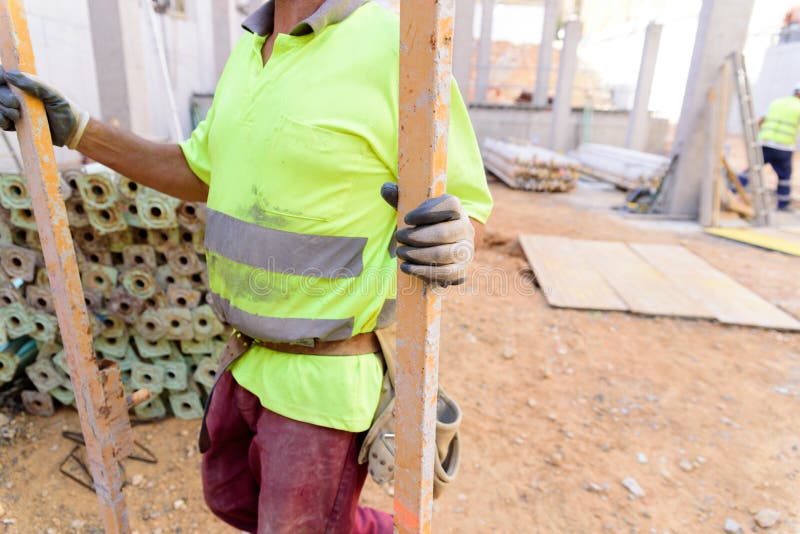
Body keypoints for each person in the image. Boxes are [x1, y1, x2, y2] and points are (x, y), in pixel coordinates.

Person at [0, 0, 493, 532]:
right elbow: (197, 167)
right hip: (243, 358)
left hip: (322, 381)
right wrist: (79, 131)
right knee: (230, 500)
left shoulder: (400, 43)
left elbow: (464, 203)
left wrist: (457, 235)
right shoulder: (249, 48)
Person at [757, 84, 800, 211]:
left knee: (752, 170)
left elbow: (761, 120)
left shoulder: (777, 103)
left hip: (765, 143)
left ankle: (732, 190)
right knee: (784, 177)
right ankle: (782, 205)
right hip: (784, 147)